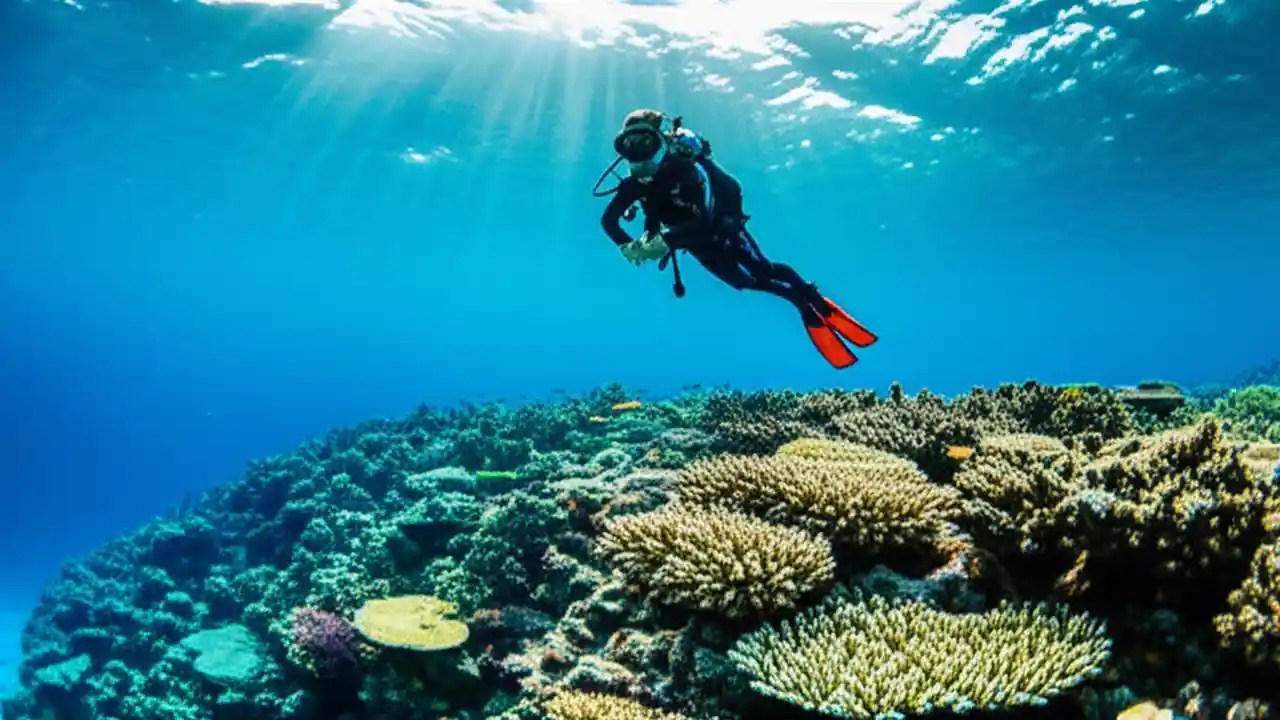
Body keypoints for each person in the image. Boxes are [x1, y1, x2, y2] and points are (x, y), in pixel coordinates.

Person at [598, 108, 877, 368]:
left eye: (644, 143)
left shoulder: (686, 171)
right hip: (690, 241)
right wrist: (626, 246)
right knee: (742, 282)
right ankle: (797, 299)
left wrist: (664, 242)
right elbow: (608, 221)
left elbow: (704, 221)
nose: (637, 153)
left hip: (723, 227)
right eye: (628, 146)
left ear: (661, 141)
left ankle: (809, 297)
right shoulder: (635, 185)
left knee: (763, 269)